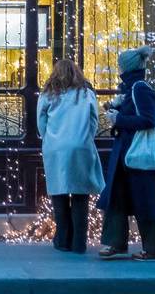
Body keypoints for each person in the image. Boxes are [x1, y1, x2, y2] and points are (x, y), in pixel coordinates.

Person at [97, 46, 155, 261]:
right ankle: (116, 244)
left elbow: (149, 120)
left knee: (145, 201)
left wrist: (118, 120)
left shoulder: (140, 88)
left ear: (126, 66)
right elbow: (135, 114)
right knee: (118, 198)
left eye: (120, 64)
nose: (118, 67)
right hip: (126, 155)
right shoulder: (130, 88)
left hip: (139, 156)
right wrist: (114, 108)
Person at [37, 59, 105, 254]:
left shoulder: (48, 94)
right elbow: (94, 121)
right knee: (80, 194)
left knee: (58, 192)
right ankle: (79, 243)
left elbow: (41, 123)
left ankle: (62, 239)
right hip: (81, 146)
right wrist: (85, 138)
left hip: (55, 148)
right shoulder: (86, 93)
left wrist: (49, 139)